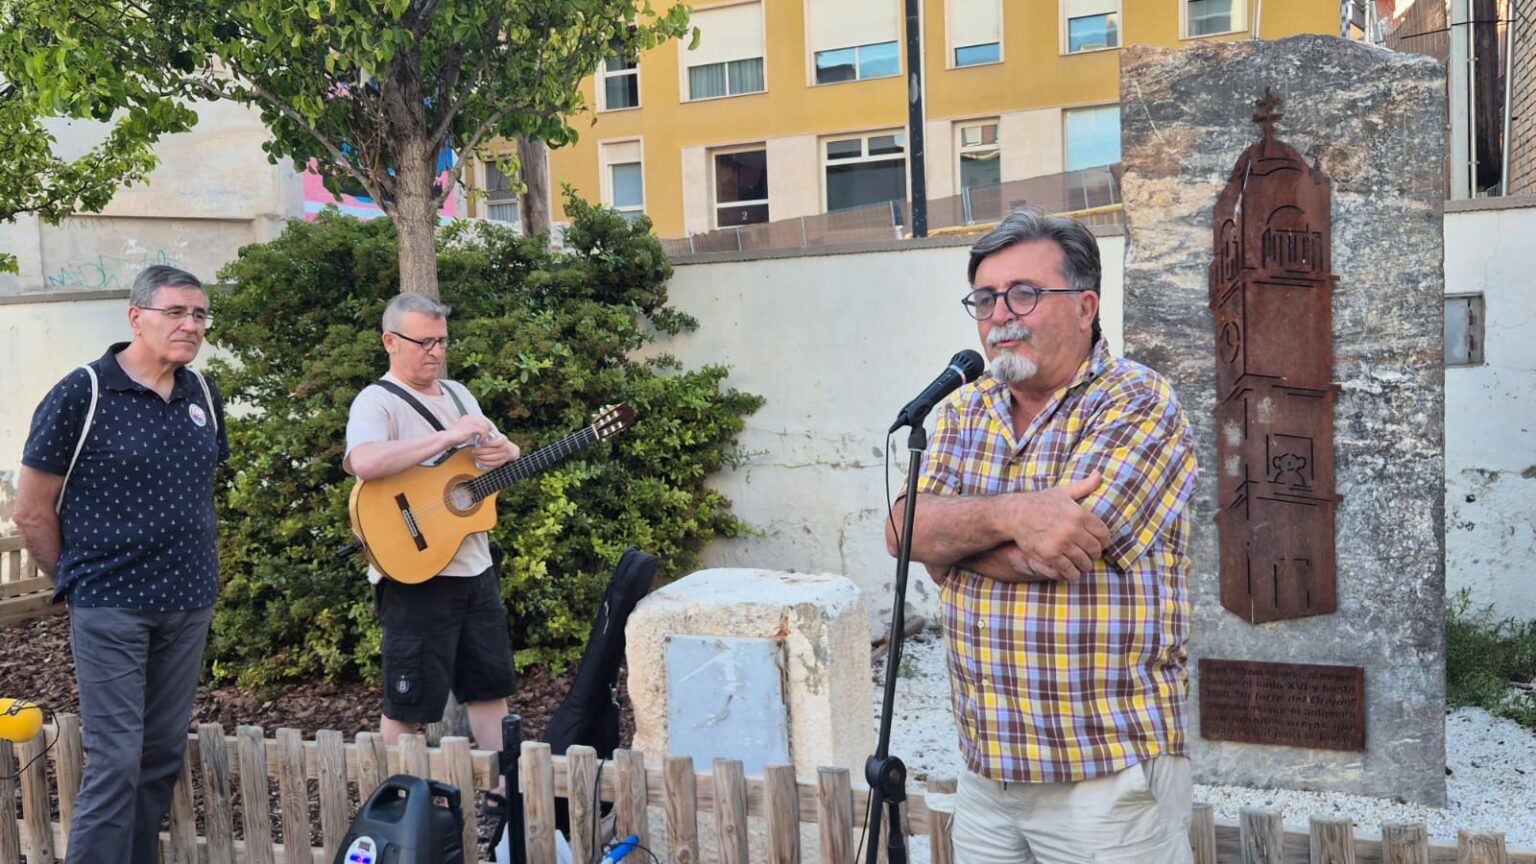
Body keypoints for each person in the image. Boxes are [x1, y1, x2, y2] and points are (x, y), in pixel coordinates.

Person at [887, 208, 1199, 863]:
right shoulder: (967, 409)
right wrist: (1012, 517)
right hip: (987, 768)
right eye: (986, 297)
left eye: (1025, 293)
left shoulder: (1138, 404)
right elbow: (902, 529)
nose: (1001, 314)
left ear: (1085, 307)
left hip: (1103, 772)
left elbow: (1059, 551)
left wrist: (956, 546)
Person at [14, 266, 228, 864]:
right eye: (177, 313)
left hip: (188, 602)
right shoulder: (82, 392)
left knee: (160, 755)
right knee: (115, 759)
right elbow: (31, 511)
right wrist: (79, 585)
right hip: (111, 606)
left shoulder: (202, 394)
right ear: (137, 318)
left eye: (200, 314)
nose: (191, 325)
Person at [344, 292, 521, 751]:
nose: (437, 353)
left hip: (475, 569)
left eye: (442, 342)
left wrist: (509, 452)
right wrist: (447, 437)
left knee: (490, 691)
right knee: (409, 706)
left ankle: (506, 804)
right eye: (425, 342)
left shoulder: (461, 395)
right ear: (391, 341)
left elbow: (490, 457)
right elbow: (363, 460)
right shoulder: (376, 401)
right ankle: (401, 810)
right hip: (416, 574)